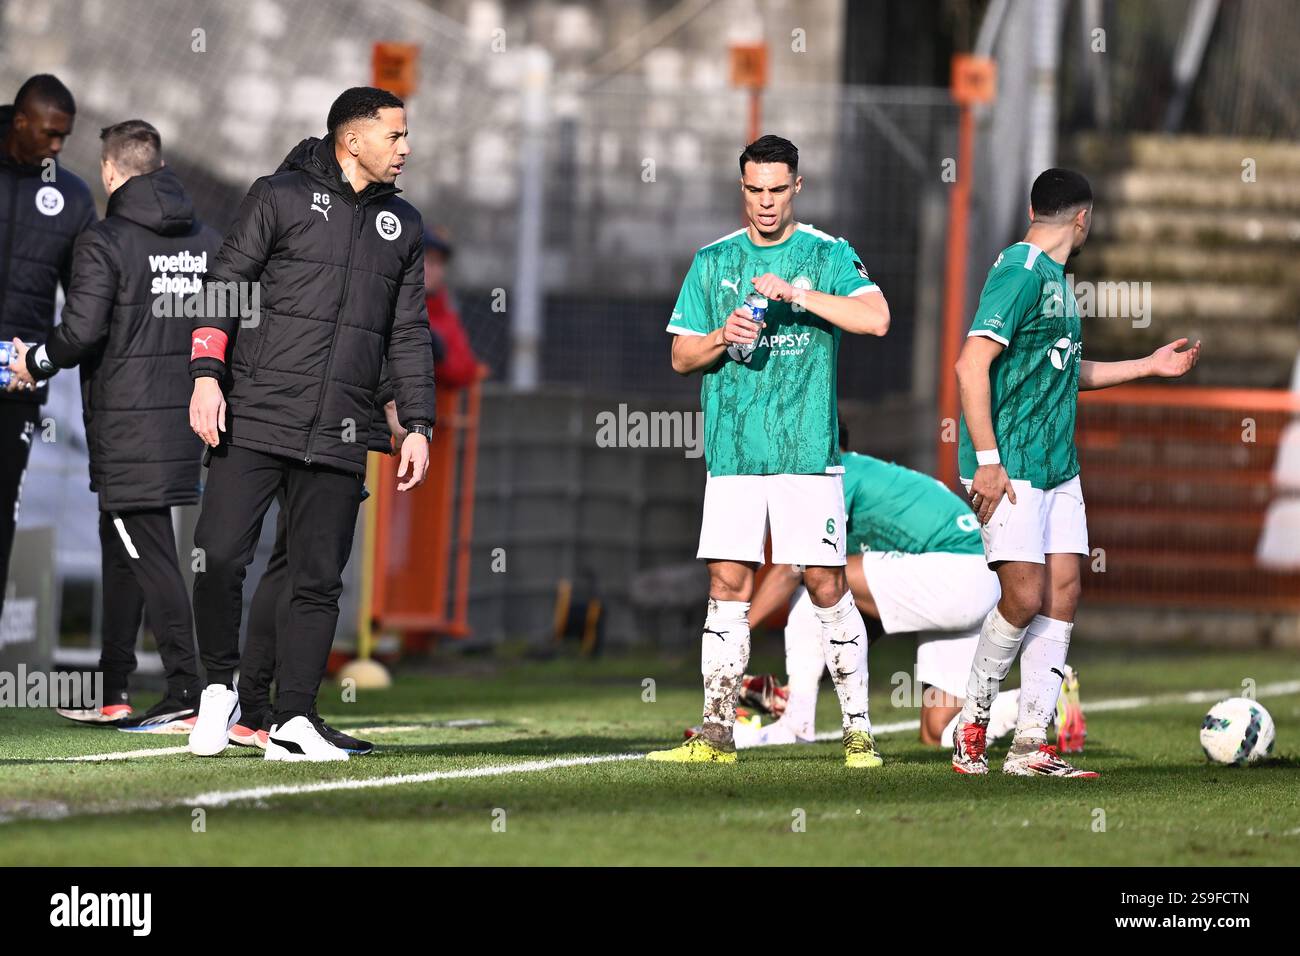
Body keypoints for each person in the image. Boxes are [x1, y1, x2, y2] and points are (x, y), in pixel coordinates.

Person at [186, 87, 435, 763]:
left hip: (344, 430)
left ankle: (292, 719)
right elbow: (224, 284)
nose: (406, 148)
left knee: (317, 579)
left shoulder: (404, 227)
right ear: (353, 141)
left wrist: (416, 422)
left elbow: (407, 332)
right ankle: (217, 689)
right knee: (219, 557)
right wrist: (206, 376)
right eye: (396, 136)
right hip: (257, 414)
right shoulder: (279, 196)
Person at [647, 135, 891, 767]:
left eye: (777, 189)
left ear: (797, 188)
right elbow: (679, 356)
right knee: (727, 581)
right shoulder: (711, 261)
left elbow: (877, 320)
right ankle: (716, 734)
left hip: (807, 452)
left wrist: (796, 295)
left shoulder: (827, 254)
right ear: (742, 188)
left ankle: (858, 730)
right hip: (732, 456)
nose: (764, 202)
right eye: (754, 189)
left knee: (825, 581)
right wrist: (721, 337)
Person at [952, 167, 1200, 777]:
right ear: (1083, 218)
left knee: (1063, 592)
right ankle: (972, 725)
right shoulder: (1019, 273)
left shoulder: (1061, 280)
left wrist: (1147, 365)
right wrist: (987, 462)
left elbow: (1069, 372)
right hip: (1009, 465)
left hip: (1058, 464)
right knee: (1024, 595)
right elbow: (969, 365)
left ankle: (1032, 746)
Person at [15, 121, 219, 731]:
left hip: (128, 428)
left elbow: (79, 332)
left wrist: (34, 362)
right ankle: (112, 689)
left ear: (110, 172)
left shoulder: (105, 242)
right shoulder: (206, 242)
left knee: (149, 556)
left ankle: (187, 687)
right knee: (123, 552)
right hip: (181, 422)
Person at [228, 388, 405, 754]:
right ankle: (288, 714)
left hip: (279, 416)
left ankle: (255, 712)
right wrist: (398, 406)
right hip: (325, 425)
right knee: (309, 569)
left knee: (287, 560)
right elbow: (374, 340)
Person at [0, 74, 95, 622]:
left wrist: (41, 360)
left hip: (16, 385)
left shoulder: (73, 197)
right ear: (20, 122)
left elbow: (84, 299)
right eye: (51, 133)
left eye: (66, 136)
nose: (58, 146)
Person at [421, 226, 478, 390]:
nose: (430, 269)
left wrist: (438, 355)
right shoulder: (383, 304)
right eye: (424, 260)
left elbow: (465, 369)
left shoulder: (445, 316)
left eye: (436, 263)